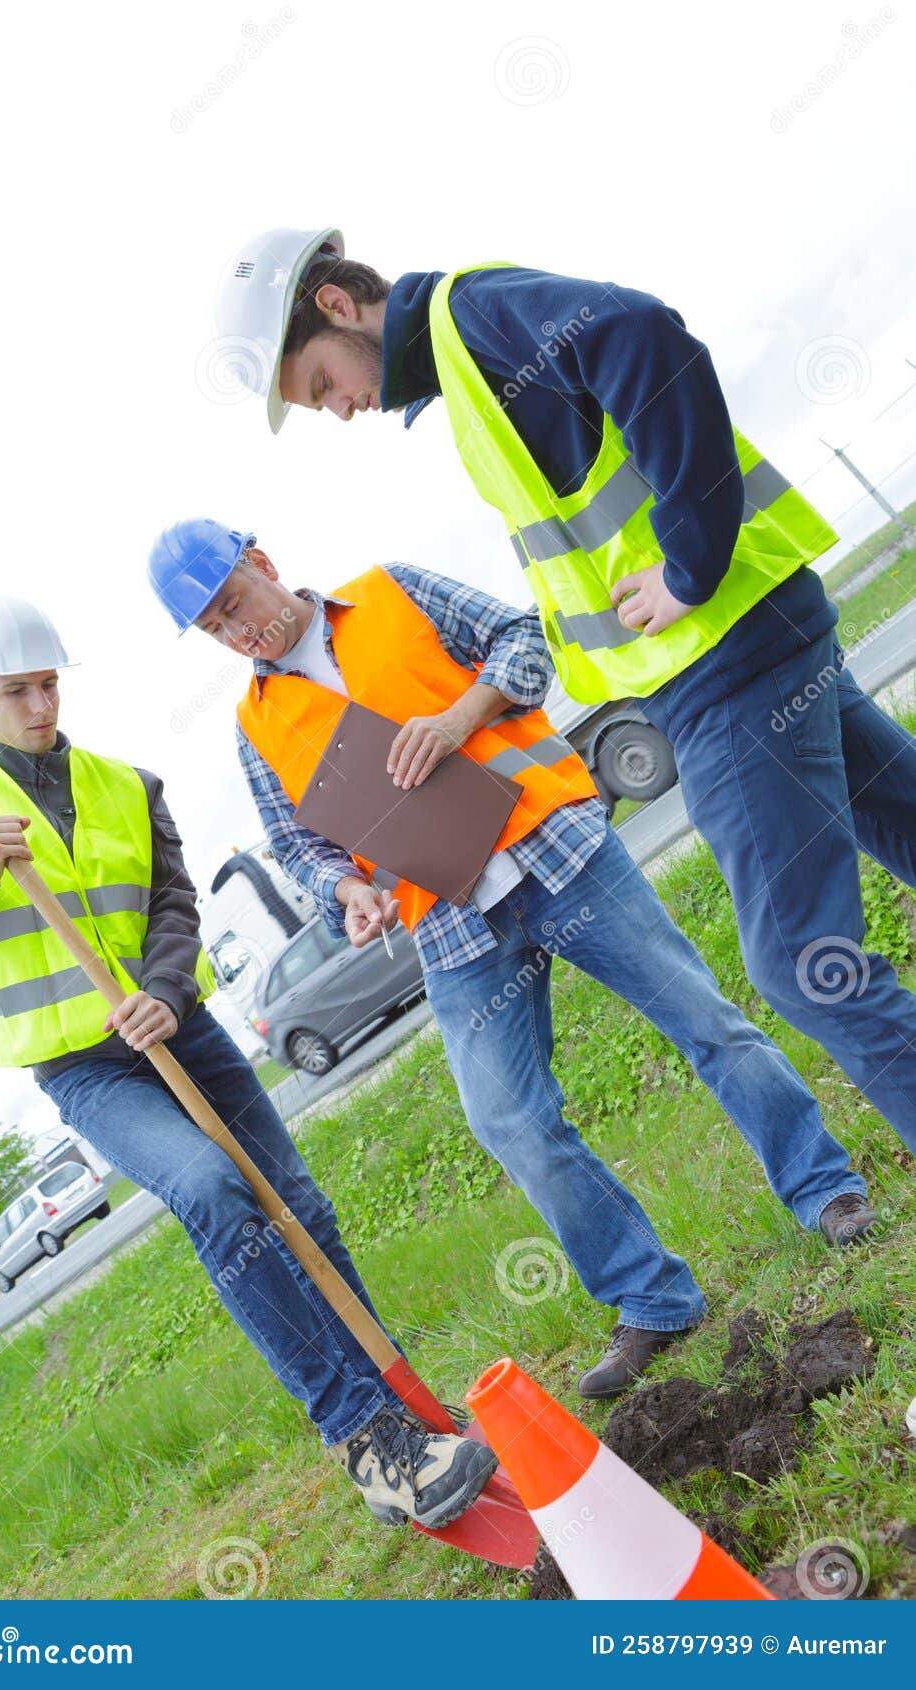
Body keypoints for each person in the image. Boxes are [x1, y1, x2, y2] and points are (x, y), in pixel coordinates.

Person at [216, 226, 916, 1155]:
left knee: (795, 964)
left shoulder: (473, 316)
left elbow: (645, 337)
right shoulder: (466, 368)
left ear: (336, 308)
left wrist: (689, 565)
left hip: (721, 662)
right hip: (744, 641)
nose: (340, 410)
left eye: (320, 386)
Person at [147, 519, 877, 1400]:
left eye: (234, 606)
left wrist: (460, 717)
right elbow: (301, 845)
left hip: (555, 852)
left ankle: (822, 1189)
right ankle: (650, 1297)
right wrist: (347, 890)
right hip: (452, 926)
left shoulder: (391, 590)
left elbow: (525, 638)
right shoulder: (256, 726)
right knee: (508, 1122)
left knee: (704, 1023)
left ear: (262, 564)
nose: (237, 633)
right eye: (215, 630)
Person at [0, 593, 496, 1530]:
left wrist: (167, 989)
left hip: (177, 1032)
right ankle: (362, 1433)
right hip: (86, 1070)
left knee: (299, 1205)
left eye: (47, 685)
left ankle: (403, 1406)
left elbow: (174, 909)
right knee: (210, 1191)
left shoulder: (129, 784)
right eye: (15, 692)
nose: (38, 706)